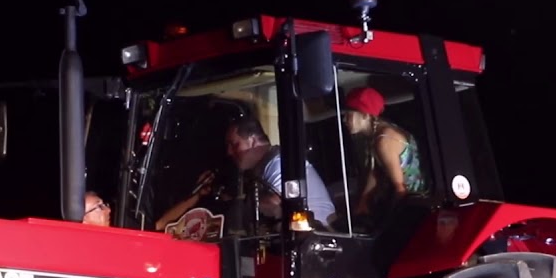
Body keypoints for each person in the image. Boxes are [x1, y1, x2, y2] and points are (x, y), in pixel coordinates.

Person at [155, 117, 337, 231]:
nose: (229, 152)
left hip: (316, 238)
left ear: (252, 141)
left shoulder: (278, 161)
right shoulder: (259, 169)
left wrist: (236, 209)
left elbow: (274, 203)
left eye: (235, 144)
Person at [342, 86, 425, 217]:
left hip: (418, 202)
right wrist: (364, 201)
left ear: (365, 115)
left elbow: (400, 188)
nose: (344, 119)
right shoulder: (376, 135)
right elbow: (376, 171)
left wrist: (390, 220)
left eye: (349, 114)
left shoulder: (384, 141)